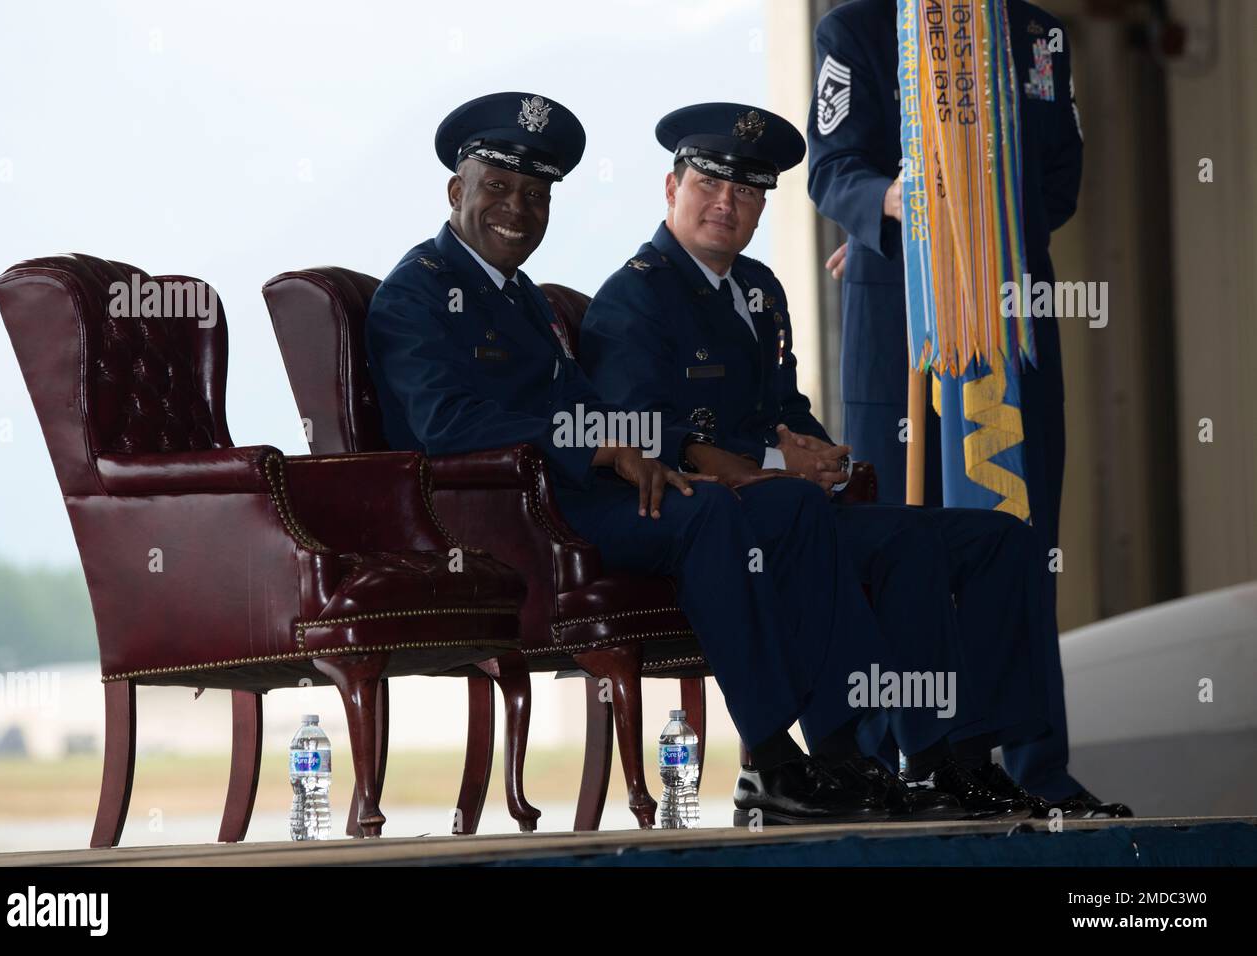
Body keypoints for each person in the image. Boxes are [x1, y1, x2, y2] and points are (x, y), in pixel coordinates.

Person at [363, 91, 962, 826]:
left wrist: (651, 448)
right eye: (497, 188)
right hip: (503, 520)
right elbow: (445, 424)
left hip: (579, 497)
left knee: (789, 503)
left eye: (535, 194)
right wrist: (606, 447)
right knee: (711, 511)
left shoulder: (520, 299)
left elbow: (587, 405)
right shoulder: (417, 293)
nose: (517, 209)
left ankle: (844, 755)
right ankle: (770, 761)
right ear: (458, 192)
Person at [579, 101, 1126, 818]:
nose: (727, 203)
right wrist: (777, 456)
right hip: (728, 520)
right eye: (708, 184)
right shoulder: (636, 294)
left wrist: (824, 453)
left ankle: (967, 756)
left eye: (747, 191)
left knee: (999, 540)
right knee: (903, 547)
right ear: (670, 188)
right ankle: (911, 757)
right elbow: (648, 431)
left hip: (793, 505)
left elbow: (786, 406)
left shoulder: (759, 290)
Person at [805, 0, 1126, 813]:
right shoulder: (858, 29)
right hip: (897, 327)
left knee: (1019, 547)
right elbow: (833, 170)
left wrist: (968, 236)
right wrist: (899, 210)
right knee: (893, 544)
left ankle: (1030, 769)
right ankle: (894, 768)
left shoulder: (1036, 33)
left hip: (1009, 319)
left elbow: (1058, 180)